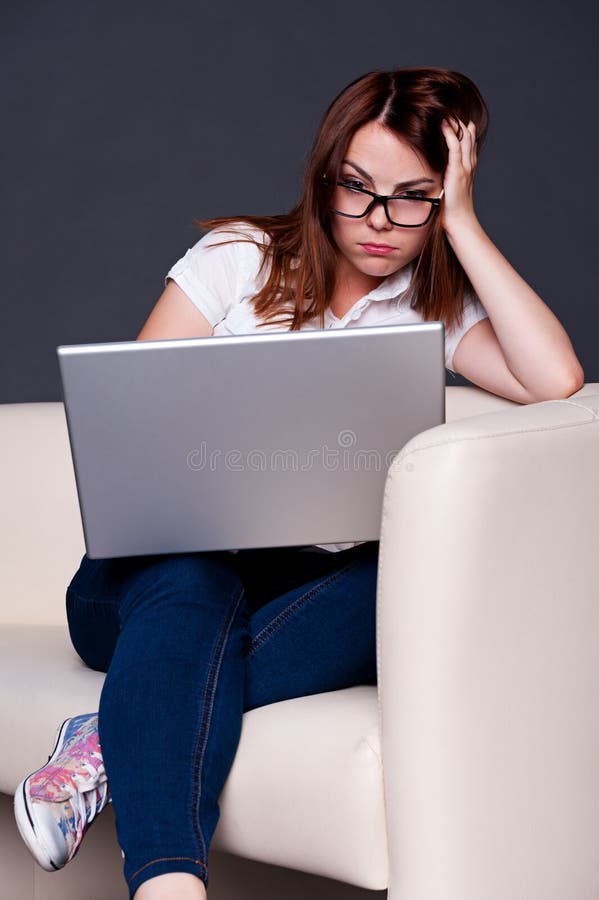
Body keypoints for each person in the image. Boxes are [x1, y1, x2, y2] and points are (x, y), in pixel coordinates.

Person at [13, 66, 584, 900]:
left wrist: (462, 223)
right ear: (323, 180)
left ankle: (112, 734)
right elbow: (126, 424)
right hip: (153, 578)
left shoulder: (435, 303)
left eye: (413, 197)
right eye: (356, 190)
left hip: (312, 585)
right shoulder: (239, 258)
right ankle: (168, 882)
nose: (379, 221)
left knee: (401, 588)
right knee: (195, 579)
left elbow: (555, 380)